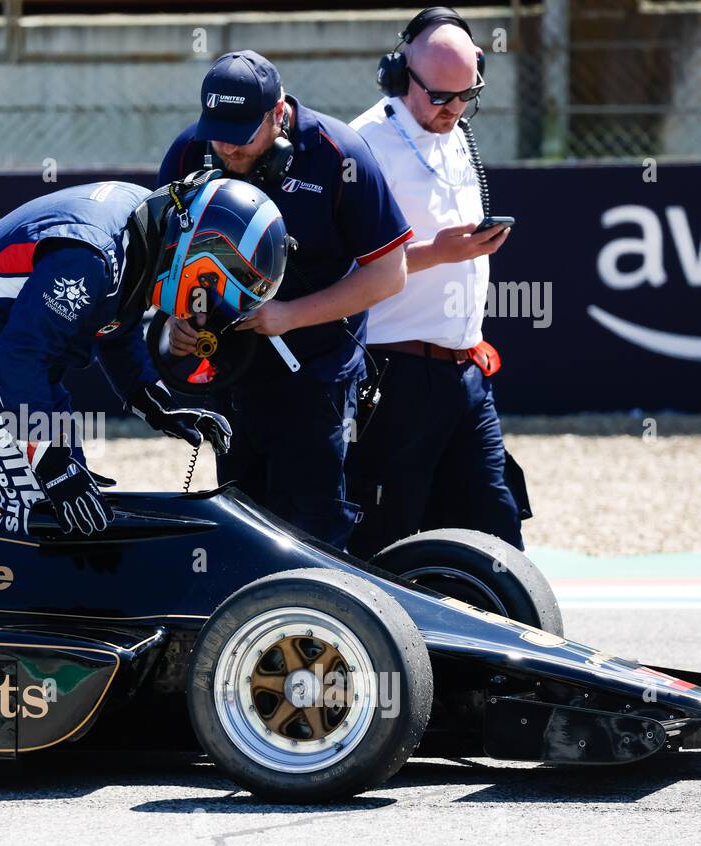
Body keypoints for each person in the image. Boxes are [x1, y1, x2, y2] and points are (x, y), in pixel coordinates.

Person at [0, 172, 292, 536]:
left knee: (73, 500)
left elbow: (114, 327)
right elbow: (20, 356)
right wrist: (53, 463)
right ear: (205, 254)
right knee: (35, 502)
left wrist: (155, 403)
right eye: (217, 295)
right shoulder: (91, 257)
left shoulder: (149, 226)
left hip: (24, 364)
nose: (205, 314)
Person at [158, 51, 412, 551]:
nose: (227, 146)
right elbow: (161, 256)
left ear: (279, 113)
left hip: (316, 375)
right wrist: (176, 317)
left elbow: (389, 275)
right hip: (231, 374)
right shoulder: (190, 152)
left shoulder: (341, 154)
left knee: (312, 532)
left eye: (243, 132)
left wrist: (289, 316)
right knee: (241, 528)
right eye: (218, 130)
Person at [345, 7, 523, 558]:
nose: (453, 109)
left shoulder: (458, 134)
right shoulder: (362, 147)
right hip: (395, 373)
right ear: (399, 77)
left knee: (498, 527)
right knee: (389, 534)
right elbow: (344, 274)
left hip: (466, 371)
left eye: (466, 95)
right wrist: (438, 254)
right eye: (440, 97)